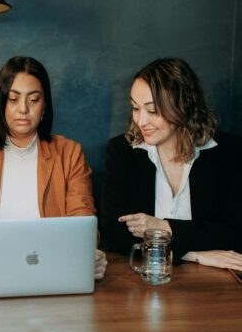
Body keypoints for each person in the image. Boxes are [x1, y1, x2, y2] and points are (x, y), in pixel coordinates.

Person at [0, 56, 107, 279]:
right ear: (0, 103)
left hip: (53, 271)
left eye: (33, 100)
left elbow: (84, 225)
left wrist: (87, 255)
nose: (23, 109)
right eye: (13, 99)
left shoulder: (69, 153)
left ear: (44, 107)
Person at [100, 58, 242, 270]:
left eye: (153, 110)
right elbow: (115, 233)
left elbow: (234, 233)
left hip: (214, 286)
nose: (141, 121)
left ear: (182, 106)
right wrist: (192, 253)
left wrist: (163, 226)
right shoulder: (122, 152)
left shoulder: (229, 152)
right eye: (135, 108)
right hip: (145, 278)